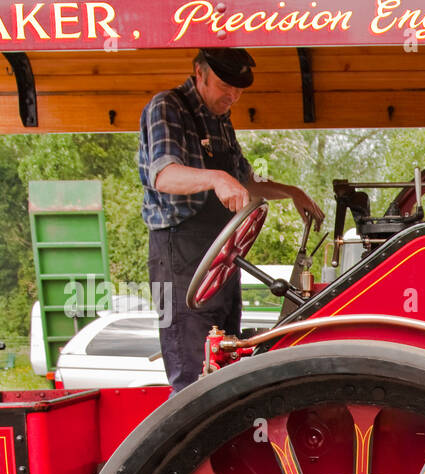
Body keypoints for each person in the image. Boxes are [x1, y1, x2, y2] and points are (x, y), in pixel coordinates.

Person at [138, 48, 324, 391]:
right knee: (191, 370)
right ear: (200, 72)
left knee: (225, 358)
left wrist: (292, 191)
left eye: (239, 91)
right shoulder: (167, 107)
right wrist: (216, 178)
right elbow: (163, 176)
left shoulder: (220, 118)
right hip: (176, 255)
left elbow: (244, 181)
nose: (233, 96)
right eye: (226, 86)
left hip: (222, 252)